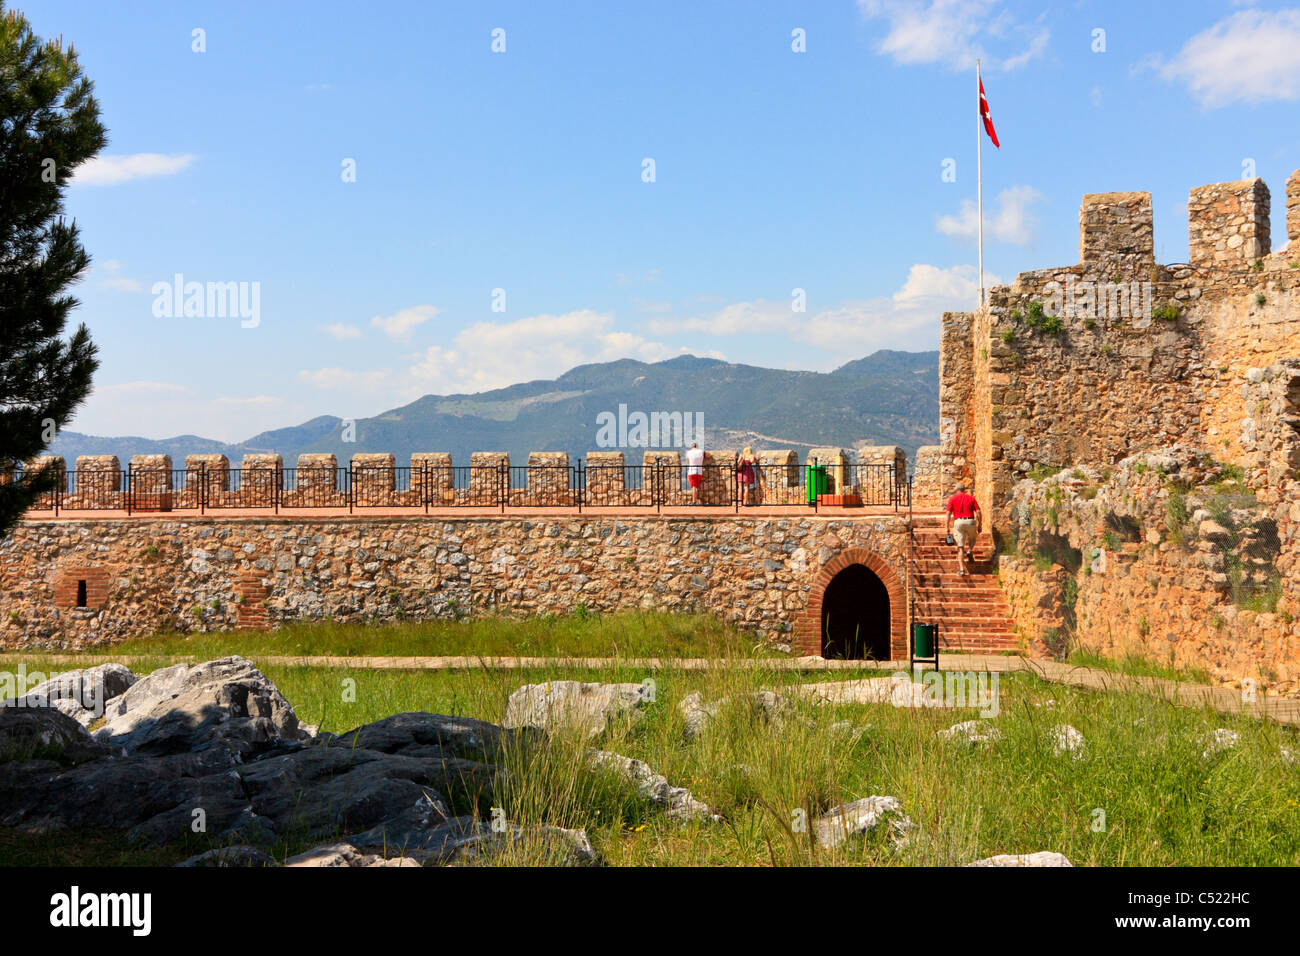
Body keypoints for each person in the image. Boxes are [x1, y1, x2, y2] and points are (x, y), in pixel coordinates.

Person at [945, 481, 981, 576]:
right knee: (972, 538)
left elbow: (948, 514)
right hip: (970, 521)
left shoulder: (952, 499)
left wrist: (947, 527)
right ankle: (969, 550)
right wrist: (980, 524)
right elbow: (978, 512)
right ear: (964, 490)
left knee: (960, 547)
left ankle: (961, 569)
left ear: (956, 490)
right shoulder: (971, 498)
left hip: (958, 522)